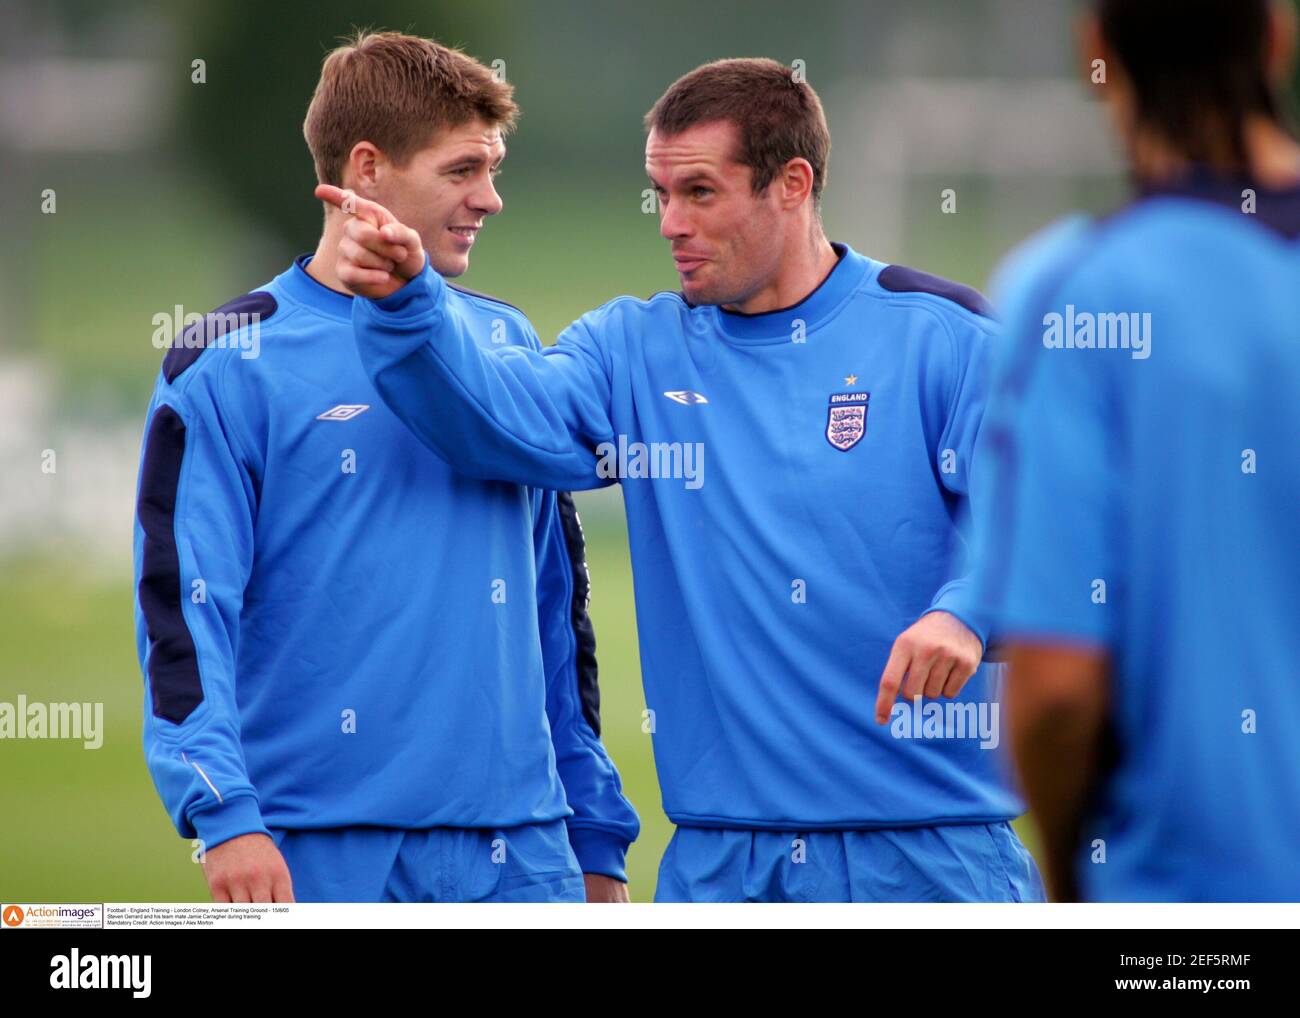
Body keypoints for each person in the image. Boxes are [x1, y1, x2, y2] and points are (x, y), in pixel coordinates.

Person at [327, 58, 1043, 902]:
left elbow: (1050, 520)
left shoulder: (945, 337)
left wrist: (966, 613)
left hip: (931, 852)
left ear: (792, 184)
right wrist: (411, 304)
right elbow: (499, 420)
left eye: (699, 192)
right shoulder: (633, 350)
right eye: (660, 194)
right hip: (720, 866)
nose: (670, 222)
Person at [132, 30, 638, 904]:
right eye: (462, 170)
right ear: (366, 169)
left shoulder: (507, 341)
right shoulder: (221, 360)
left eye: (495, 169)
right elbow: (184, 610)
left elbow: (561, 613)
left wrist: (592, 826)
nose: (491, 198)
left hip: (523, 856)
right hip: (313, 855)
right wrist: (225, 815)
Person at [973, 0, 1300, 901]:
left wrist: (1078, 885)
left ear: (1098, 57)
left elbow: (1056, 686)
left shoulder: (1075, 293)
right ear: (1277, 37)